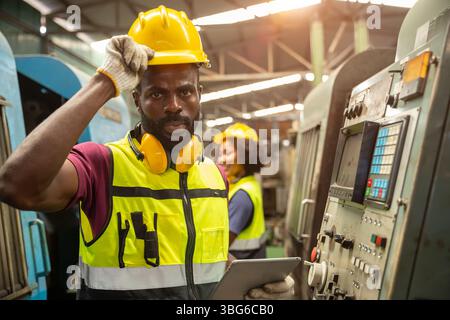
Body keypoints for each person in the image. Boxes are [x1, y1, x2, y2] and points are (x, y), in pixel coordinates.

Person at [0, 6, 293, 300]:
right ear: (137, 100)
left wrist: (256, 287)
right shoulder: (102, 167)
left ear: (199, 93)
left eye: (185, 91)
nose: (174, 105)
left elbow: (206, 263)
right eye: (157, 94)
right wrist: (105, 82)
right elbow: (16, 186)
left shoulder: (215, 178)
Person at [215, 123, 267, 259]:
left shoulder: (242, 196)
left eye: (227, 153)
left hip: (241, 272)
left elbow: (220, 246)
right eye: (220, 154)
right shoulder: (249, 183)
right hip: (250, 268)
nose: (221, 160)